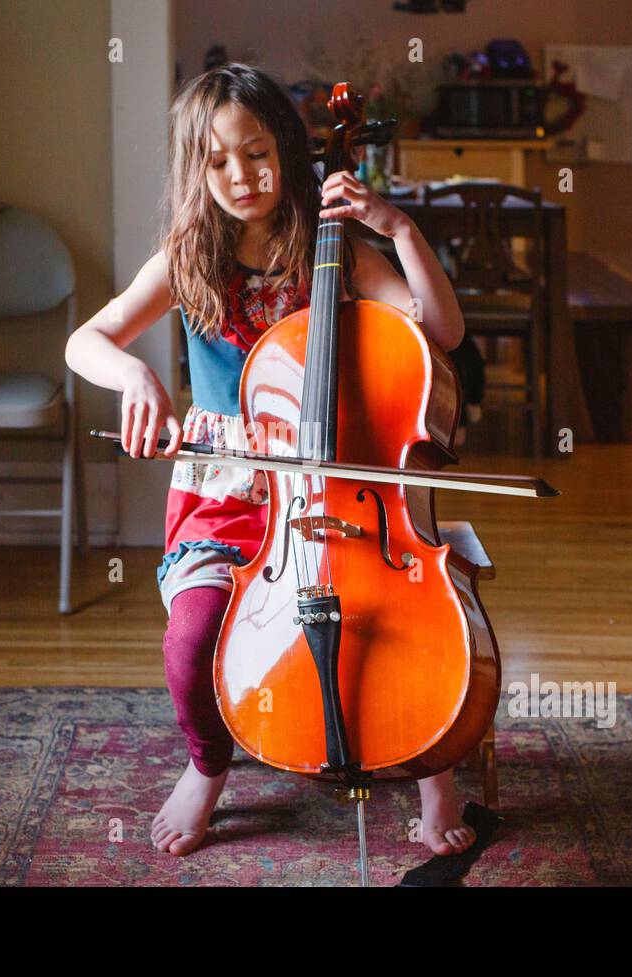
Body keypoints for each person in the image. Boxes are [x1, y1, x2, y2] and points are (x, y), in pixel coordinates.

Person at [65, 63, 474, 858]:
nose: (241, 175)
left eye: (255, 153)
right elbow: (86, 340)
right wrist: (135, 373)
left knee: (401, 621)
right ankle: (208, 765)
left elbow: (441, 330)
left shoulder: (336, 254)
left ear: (284, 151)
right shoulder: (188, 259)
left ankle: (432, 766)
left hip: (342, 487)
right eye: (218, 161)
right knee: (191, 642)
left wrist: (397, 229)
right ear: (197, 169)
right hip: (226, 494)